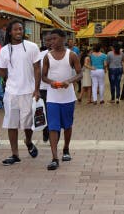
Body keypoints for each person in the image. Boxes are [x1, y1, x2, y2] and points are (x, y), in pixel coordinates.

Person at [0, 20, 42, 166]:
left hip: (28, 92)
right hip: (11, 92)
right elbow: (3, 72)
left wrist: (37, 89)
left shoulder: (32, 47)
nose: (19, 32)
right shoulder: (4, 50)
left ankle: (28, 142)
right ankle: (15, 154)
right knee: (11, 123)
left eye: (21, 29)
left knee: (28, 124)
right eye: (16, 30)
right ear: (10, 32)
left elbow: (37, 69)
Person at [41, 29, 82, 170]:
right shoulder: (47, 56)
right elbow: (43, 76)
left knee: (67, 125)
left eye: (55, 38)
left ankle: (66, 148)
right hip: (52, 98)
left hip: (68, 97)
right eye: (50, 39)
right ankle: (54, 157)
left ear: (63, 39)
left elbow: (80, 74)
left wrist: (69, 81)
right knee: (53, 126)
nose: (52, 42)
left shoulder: (72, 55)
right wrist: (51, 82)